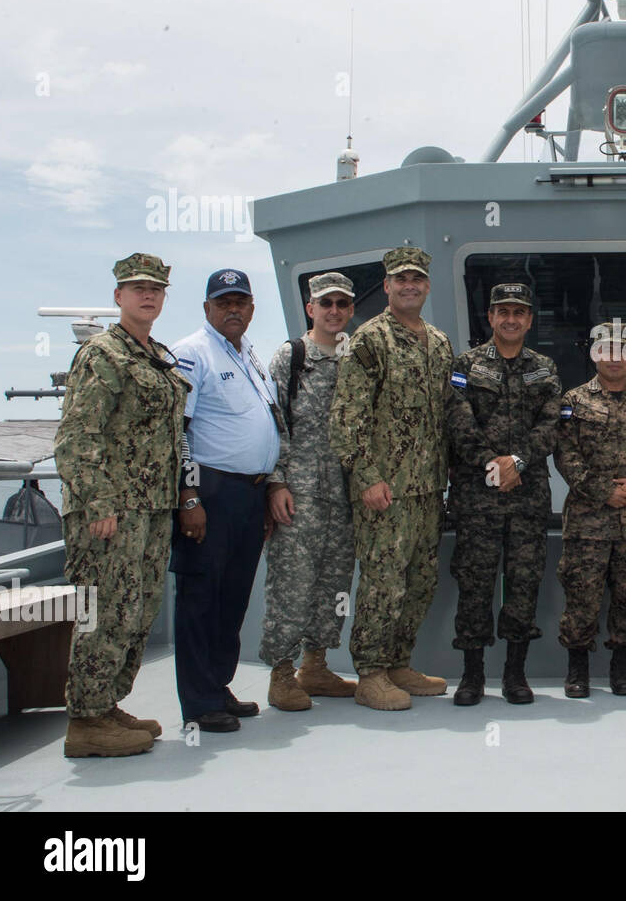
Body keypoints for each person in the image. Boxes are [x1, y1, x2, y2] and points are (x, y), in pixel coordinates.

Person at [55, 253, 189, 757]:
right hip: (111, 510)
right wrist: (99, 502)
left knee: (137, 609)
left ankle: (107, 704)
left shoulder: (154, 353)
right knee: (104, 609)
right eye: (137, 289)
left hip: (152, 507)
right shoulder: (102, 354)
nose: (147, 295)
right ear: (118, 297)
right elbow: (76, 437)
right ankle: (85, 722)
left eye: (155, 289)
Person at [328, 247, 453, 711]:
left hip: (428, 487)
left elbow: (447, 414)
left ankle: (400, 661)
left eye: (417, 279)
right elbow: (347, 417)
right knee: (383, 581)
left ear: (426, 286)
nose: (409, 286)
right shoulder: (368, 340)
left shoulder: (438, 342)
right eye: (400, 279)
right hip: (386, 490)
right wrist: (368, 477)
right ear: (386, 286)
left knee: (420, 581)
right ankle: (371, 672)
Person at [172, 268, 281, 733]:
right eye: (223, 303)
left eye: (240, 302)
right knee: (201, 596)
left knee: (233, 596)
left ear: (252, 309)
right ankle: (198, 702)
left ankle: (218, 685)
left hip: (249, 494)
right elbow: (178, 430)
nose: (233, 309)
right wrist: (189, 494)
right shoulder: (191, 353)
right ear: (206, 309)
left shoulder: (249, 354)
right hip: (211, 492)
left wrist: (271, 484)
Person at [447, 282, 561, 706]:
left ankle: (516, 674)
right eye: (503, 311)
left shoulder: (545, 368)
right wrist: (490, 464)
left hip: (528, 496)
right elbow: (458, 421)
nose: (510, 318)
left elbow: (551, 425)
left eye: (519, 312)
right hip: (478, 496)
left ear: (529, 320)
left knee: (523, 583)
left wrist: (519, 462)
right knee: (475, 582)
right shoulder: (467, 365)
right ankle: (472, 675)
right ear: (491, 318)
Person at [553, 323, 626, 698]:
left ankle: (623, 667)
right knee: (581, 597)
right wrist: (604, 491)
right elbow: (565, 456)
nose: (614, 358)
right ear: (594, 355)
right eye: (605, 350)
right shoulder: (573, 402)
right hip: (588, 523)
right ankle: (578, 670)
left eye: (622, 351)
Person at [260, 271, 359, 711]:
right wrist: (276, 482)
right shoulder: (292, 357)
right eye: (326, 304)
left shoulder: (357, 357)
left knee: (334, 585)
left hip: (345, 491)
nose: (334, 311)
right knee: (292, 584)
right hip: (299, 490)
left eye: (341, 304)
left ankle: (315, 665)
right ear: (311, 309)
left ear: (351, 309)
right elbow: (273, 423)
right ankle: (281, 672)